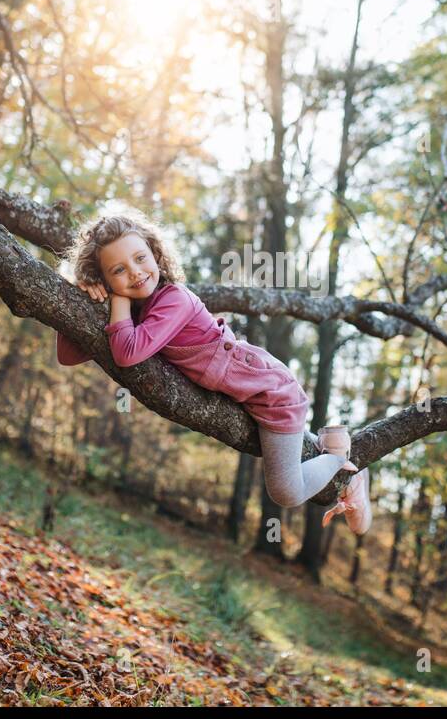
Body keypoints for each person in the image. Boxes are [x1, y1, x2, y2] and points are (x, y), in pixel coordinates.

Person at [54, 209, 371, 534]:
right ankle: (326, 443)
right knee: (289, 474)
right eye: (118, 270)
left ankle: (342, 458)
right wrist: (84, 297)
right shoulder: (139, 311)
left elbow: (127, 353)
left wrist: (117, 299)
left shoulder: (173, 299)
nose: (135, 273)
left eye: (139, 258)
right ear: (103, 279)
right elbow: (67, 353)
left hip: (271, 394)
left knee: (286, 493)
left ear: (155, 253)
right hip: (250, 392)